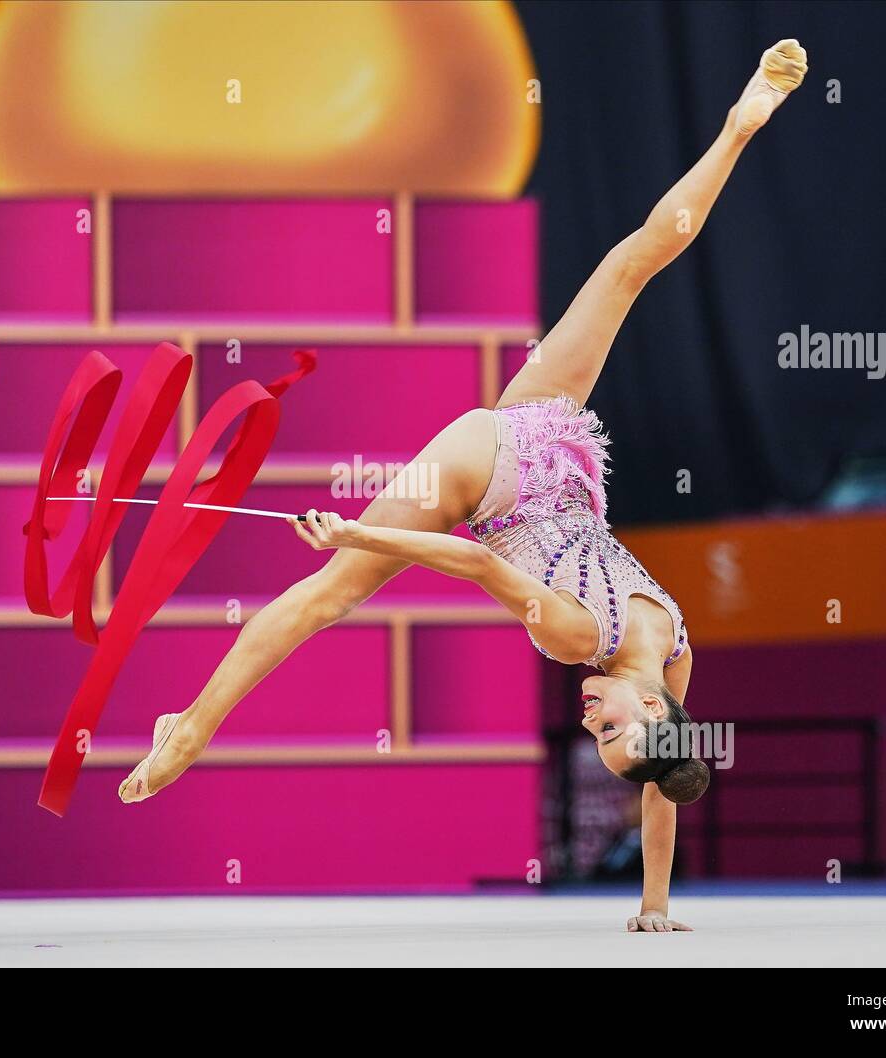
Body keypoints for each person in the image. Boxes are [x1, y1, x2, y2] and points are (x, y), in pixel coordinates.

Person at [120, 39, 809, 932]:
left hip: (549, 434)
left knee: (633, 265)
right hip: (491, 477)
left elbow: (662, 783)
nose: (591, 716)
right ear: (652, 705)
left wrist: (654, 907)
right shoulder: (575, 642)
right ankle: (194, 730)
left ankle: (735, 128)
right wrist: (360, 539)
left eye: (595, 735)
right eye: (608, 727)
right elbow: (473, 565)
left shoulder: (675, 654)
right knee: (328, 595)